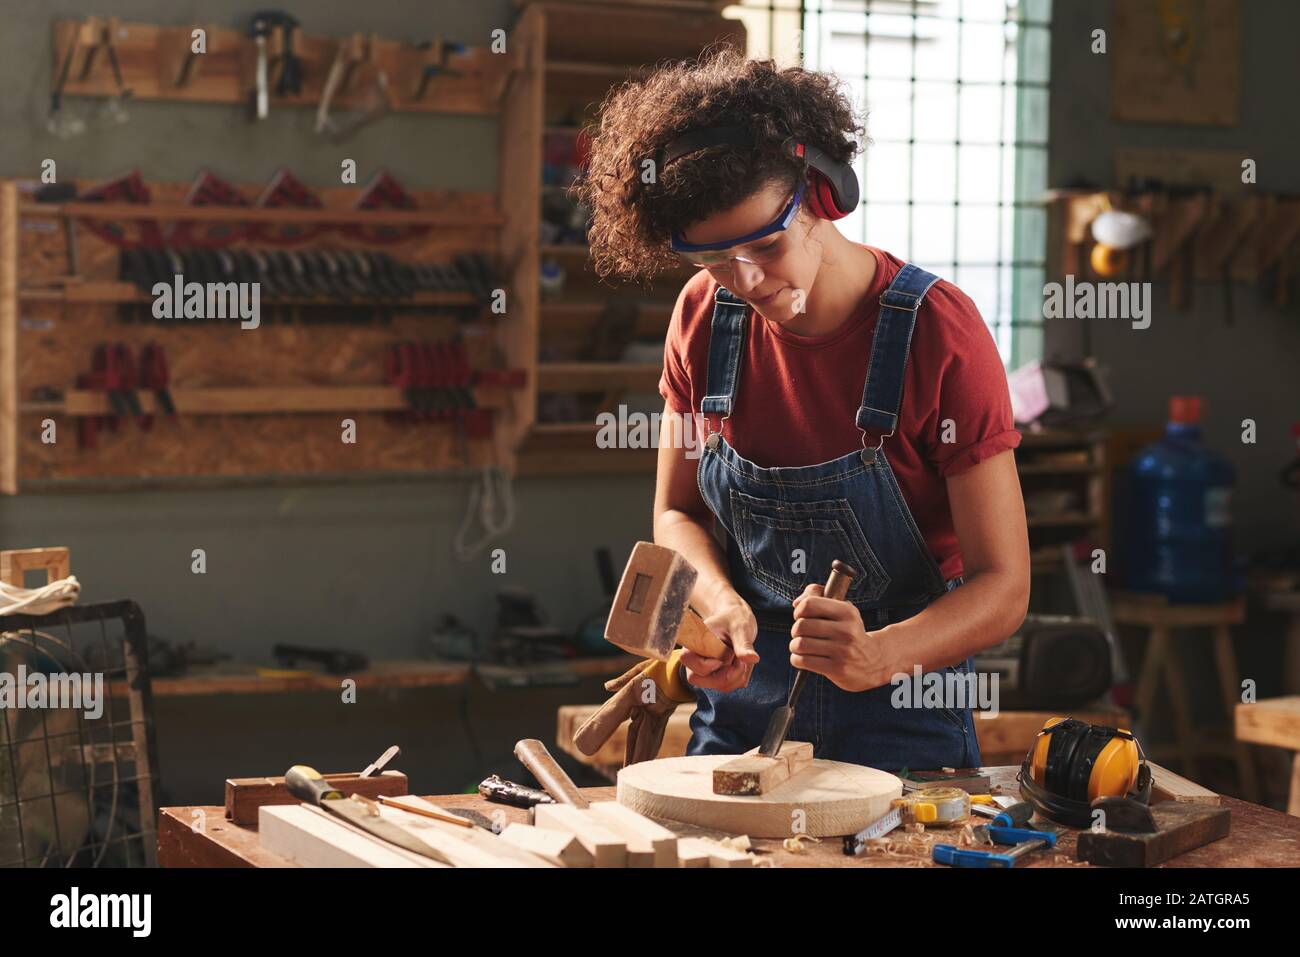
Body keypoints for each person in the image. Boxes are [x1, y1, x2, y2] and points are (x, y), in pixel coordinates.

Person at [577, 49, 1030, 770]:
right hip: (743, 701)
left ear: (822, 194)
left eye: (766, 242)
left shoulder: (938, 331)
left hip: (902, 713)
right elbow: (679, 514)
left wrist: (879, 653)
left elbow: (1003, 586)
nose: (747, 280)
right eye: (716, 259)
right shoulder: (702, 319)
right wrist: (720, 605)